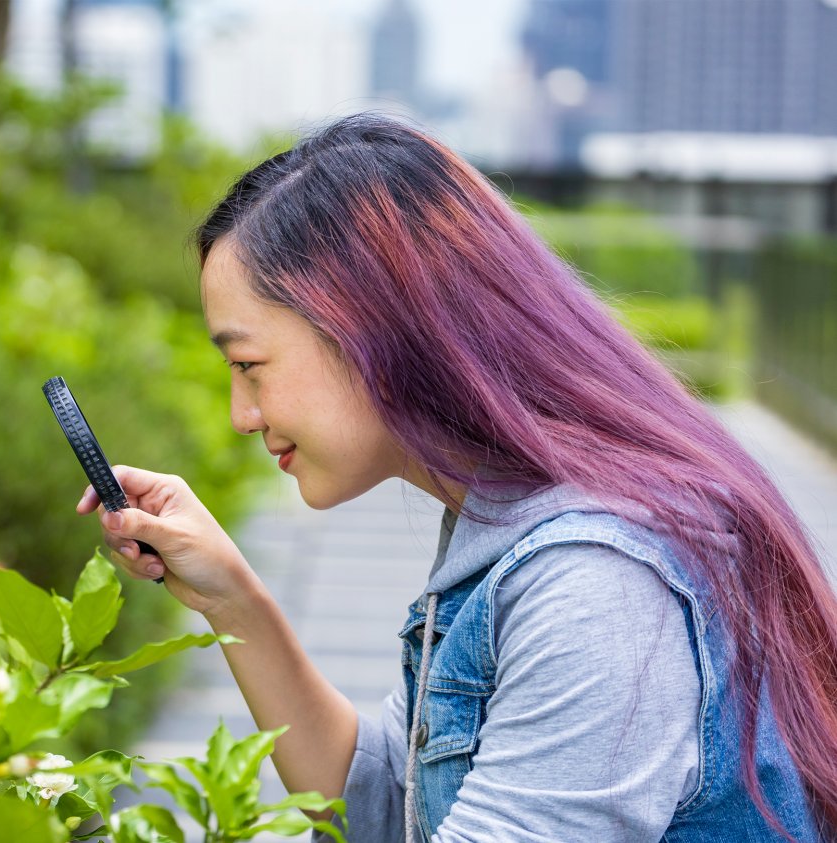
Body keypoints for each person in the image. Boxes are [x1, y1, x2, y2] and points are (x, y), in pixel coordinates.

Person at [74, 113, 837, 842]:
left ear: (367, 325)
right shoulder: (505, 516)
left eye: (249, 365)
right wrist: (229, 598)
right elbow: (389, 813)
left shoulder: (596, 586)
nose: (241, 413)